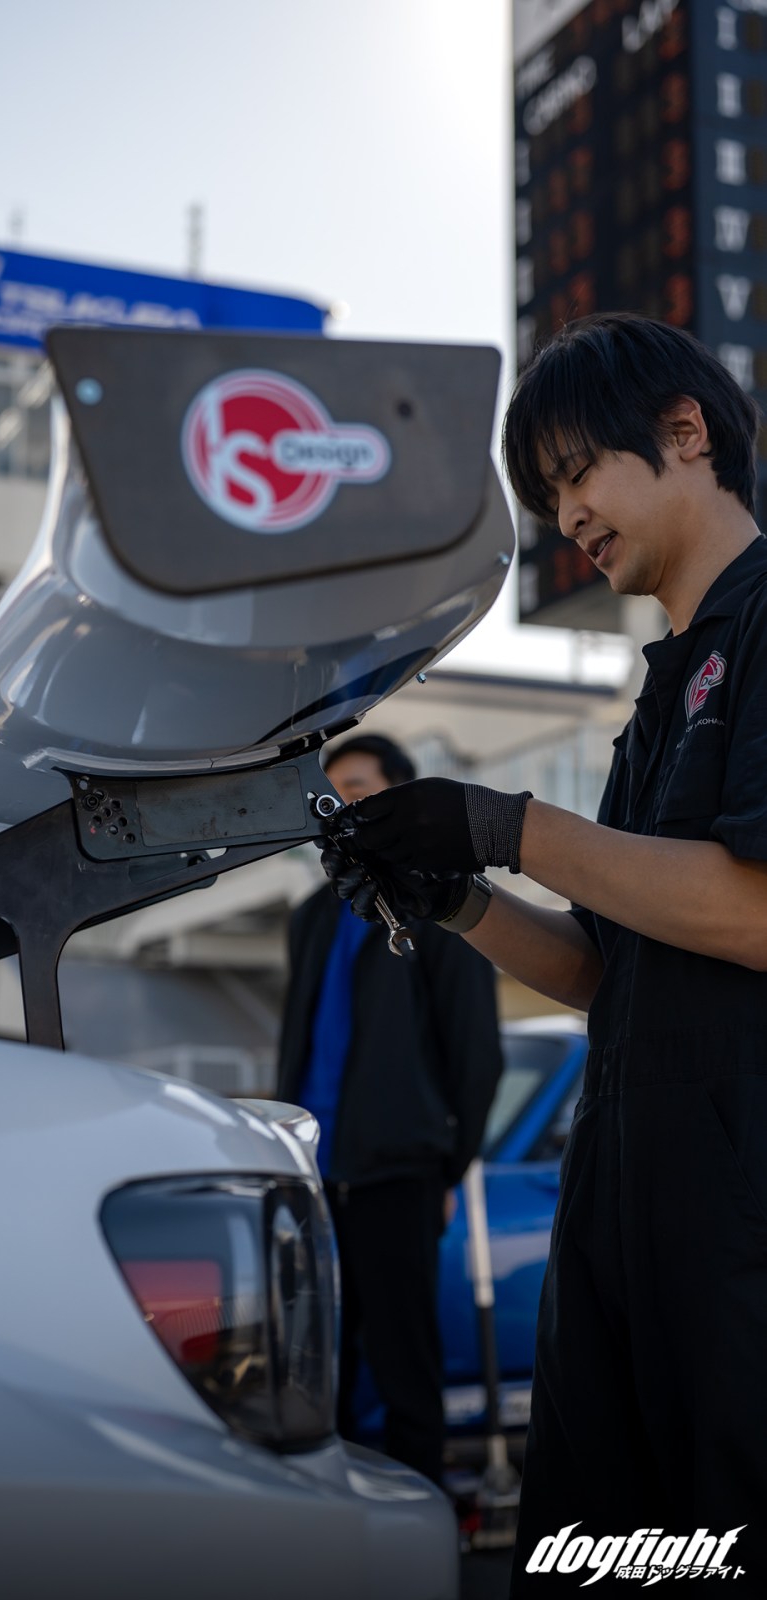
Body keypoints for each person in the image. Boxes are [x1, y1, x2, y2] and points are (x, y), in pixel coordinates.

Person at [321, 315, 767, 1593]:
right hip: (619, 1217)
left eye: (579, 473)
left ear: (685, 433)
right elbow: (601, 968)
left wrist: (505, 820)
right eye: (549, 493)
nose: (565, 513)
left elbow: (752, 914)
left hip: (740, 1234)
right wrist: (458, 894)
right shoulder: (661, 690)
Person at [277, 733, 502, 1487]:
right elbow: (298, 1040)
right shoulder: (311, 914)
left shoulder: (443, 900)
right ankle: (335, 1530)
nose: (348, 806)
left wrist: (447, 1162)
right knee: (318, 1368)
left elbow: (475, 1052)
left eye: (364, 788)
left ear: (402, 796)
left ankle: (426, 1528)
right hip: (314, 1175)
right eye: (336, 793)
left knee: (407, 1368)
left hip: (398, 1171)